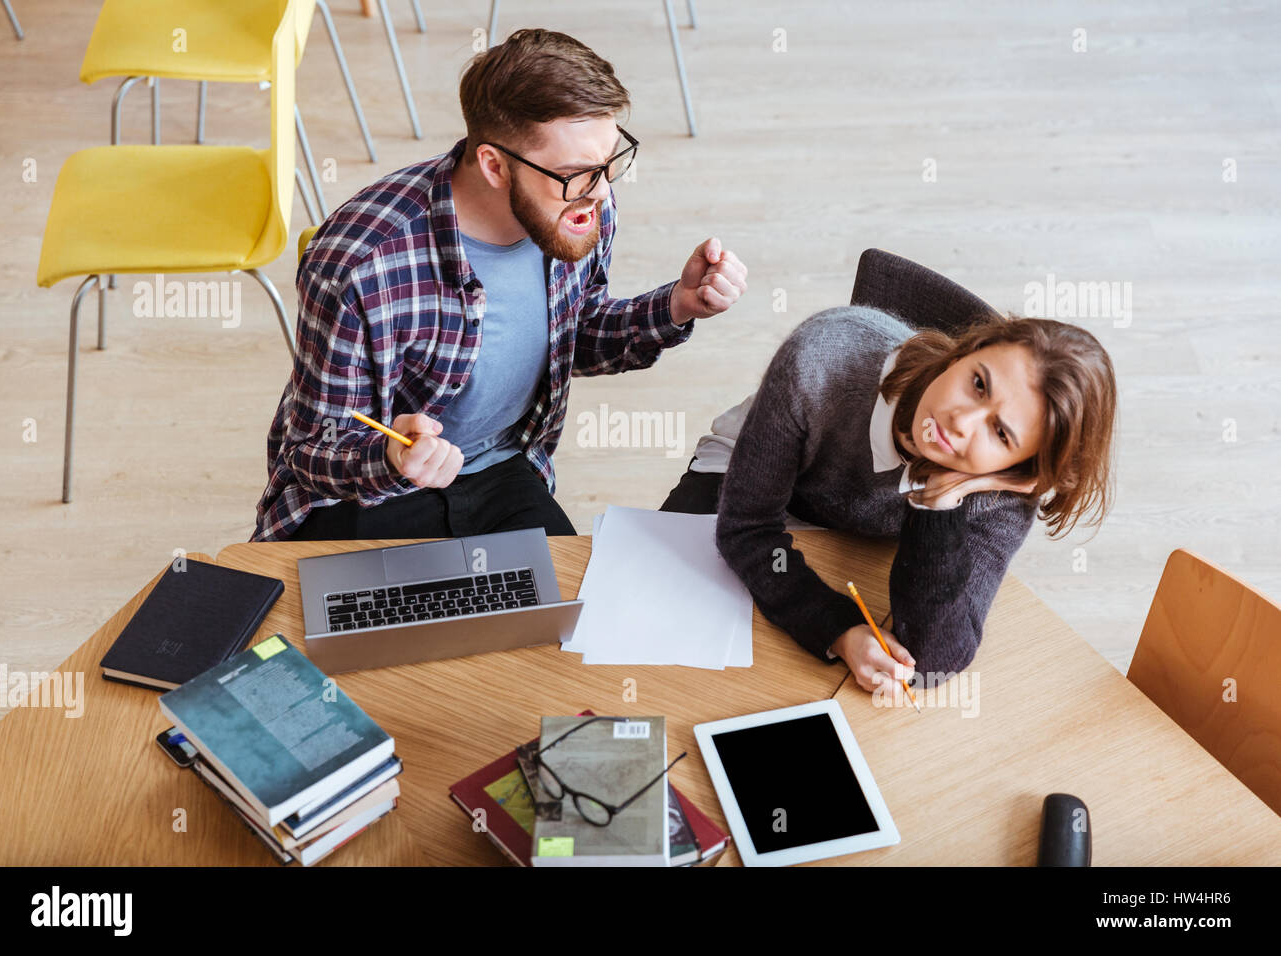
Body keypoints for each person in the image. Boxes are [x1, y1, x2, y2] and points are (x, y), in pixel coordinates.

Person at [253, 28, 747, 542]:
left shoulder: (576, 207)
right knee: (367, 621)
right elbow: (313, 448)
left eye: (608, 163)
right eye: (577, 173)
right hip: (370, 491)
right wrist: (392, 455)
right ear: (493, 164)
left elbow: (571, 338)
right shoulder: (358, 265)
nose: (600, 191)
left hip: (502, 474)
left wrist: (677, 306)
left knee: (573, 617)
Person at [661, 305, 1117, 700]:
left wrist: (938, 505)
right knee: (678, 640)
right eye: (978, 384)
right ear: (963, 353)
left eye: (1000, 433)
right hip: (746, 478)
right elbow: (746, 529)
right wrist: (837, 628)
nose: (960, 421)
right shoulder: (822, 357)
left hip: (857, 533)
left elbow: (933, 658)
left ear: (1020, 470)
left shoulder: (1002, 495)